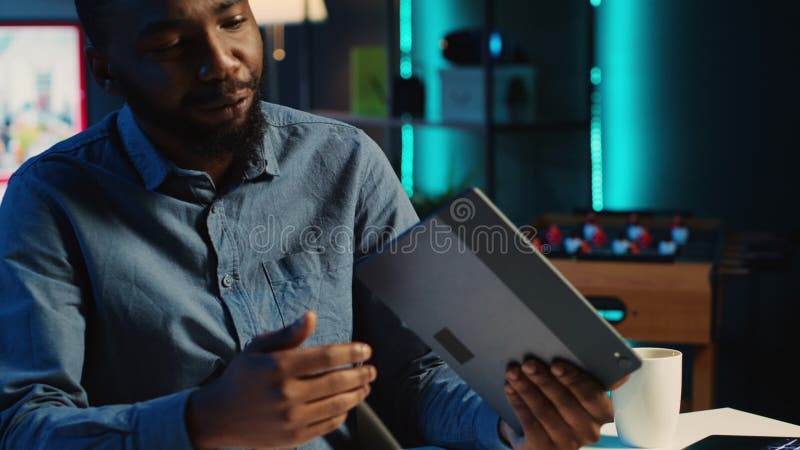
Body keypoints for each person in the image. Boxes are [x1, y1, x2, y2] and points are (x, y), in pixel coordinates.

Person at [0, 1, 625, 449]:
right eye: (170, 45)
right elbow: (24, 424)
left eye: (232, 20)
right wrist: (201, 422)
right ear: (105, 67)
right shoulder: (50, 198)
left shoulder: (346, 161)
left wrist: (510, 423)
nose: (222, 62)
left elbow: (415, 377)